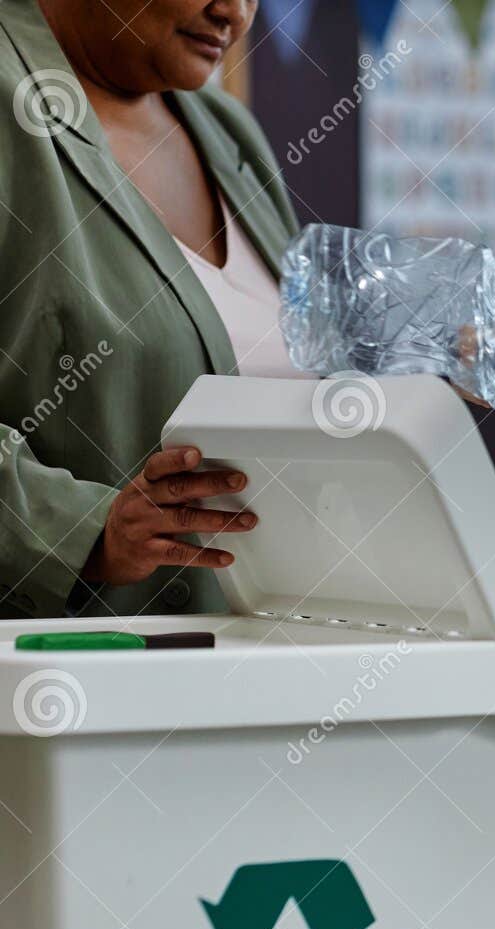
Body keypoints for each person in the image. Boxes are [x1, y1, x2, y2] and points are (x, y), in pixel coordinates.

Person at [0, 0, 296, 622]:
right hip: (60, 695)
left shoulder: (225, 127)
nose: (235, 14)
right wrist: (82, 532)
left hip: (265, 683)